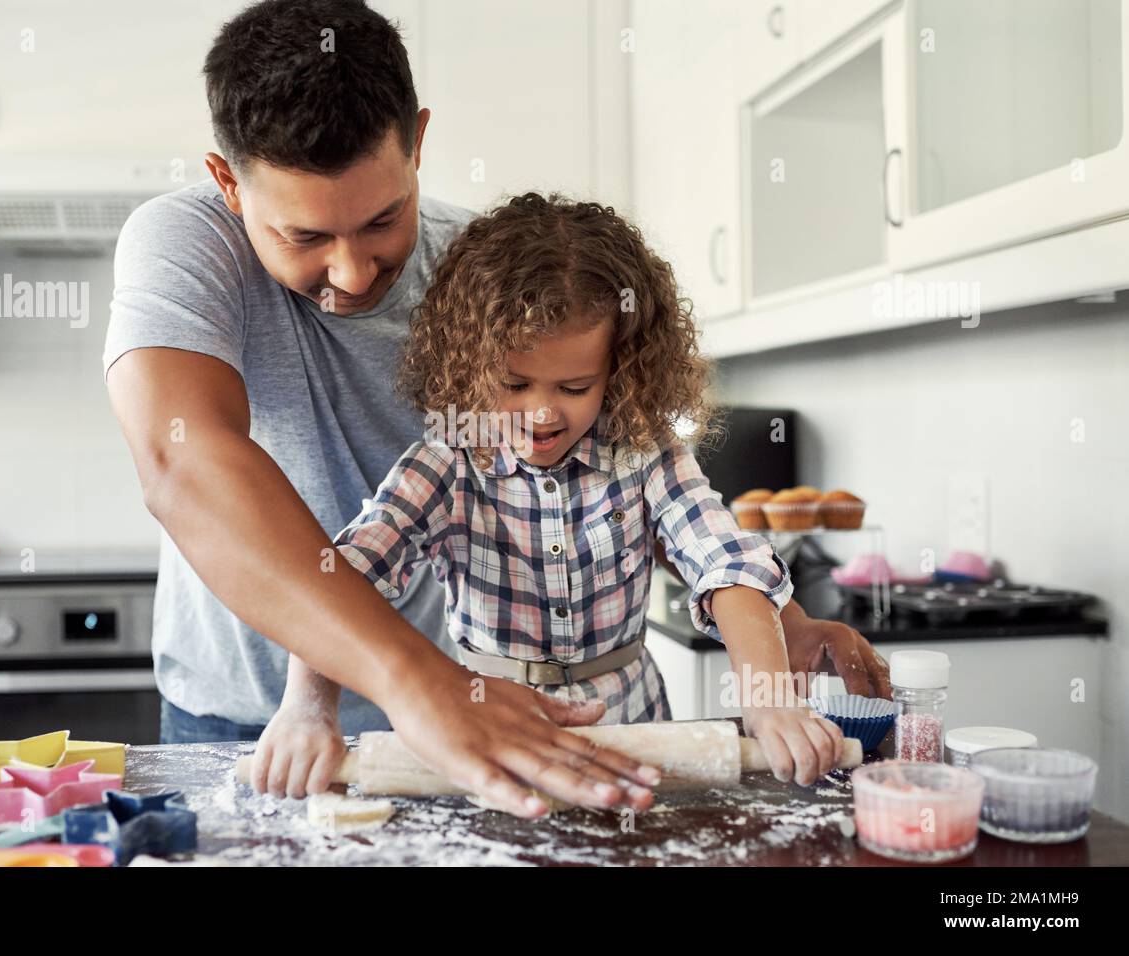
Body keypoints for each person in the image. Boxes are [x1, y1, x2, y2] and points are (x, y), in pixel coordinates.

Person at [104, 0, 890, 818]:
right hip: (260, 713)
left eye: (383, 221)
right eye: (304, 237)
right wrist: (405, 687)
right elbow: (183, 461)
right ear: (228, 181)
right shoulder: (183, 245)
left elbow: (663, 514)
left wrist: (781, 625)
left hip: (481, 717)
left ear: (418, 143)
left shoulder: (492, 276)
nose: (354, 273)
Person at [252, 193, 848, 801]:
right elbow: (346, 574)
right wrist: (306, 704)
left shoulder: (646, 455)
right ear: (470, 365)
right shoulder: (448, 460)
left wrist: (770, 700)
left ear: (619, 372)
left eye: (574, 386)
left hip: (636, 735)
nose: (541, 413)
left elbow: (727, 563)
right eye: (513, 384)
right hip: (490, 729)